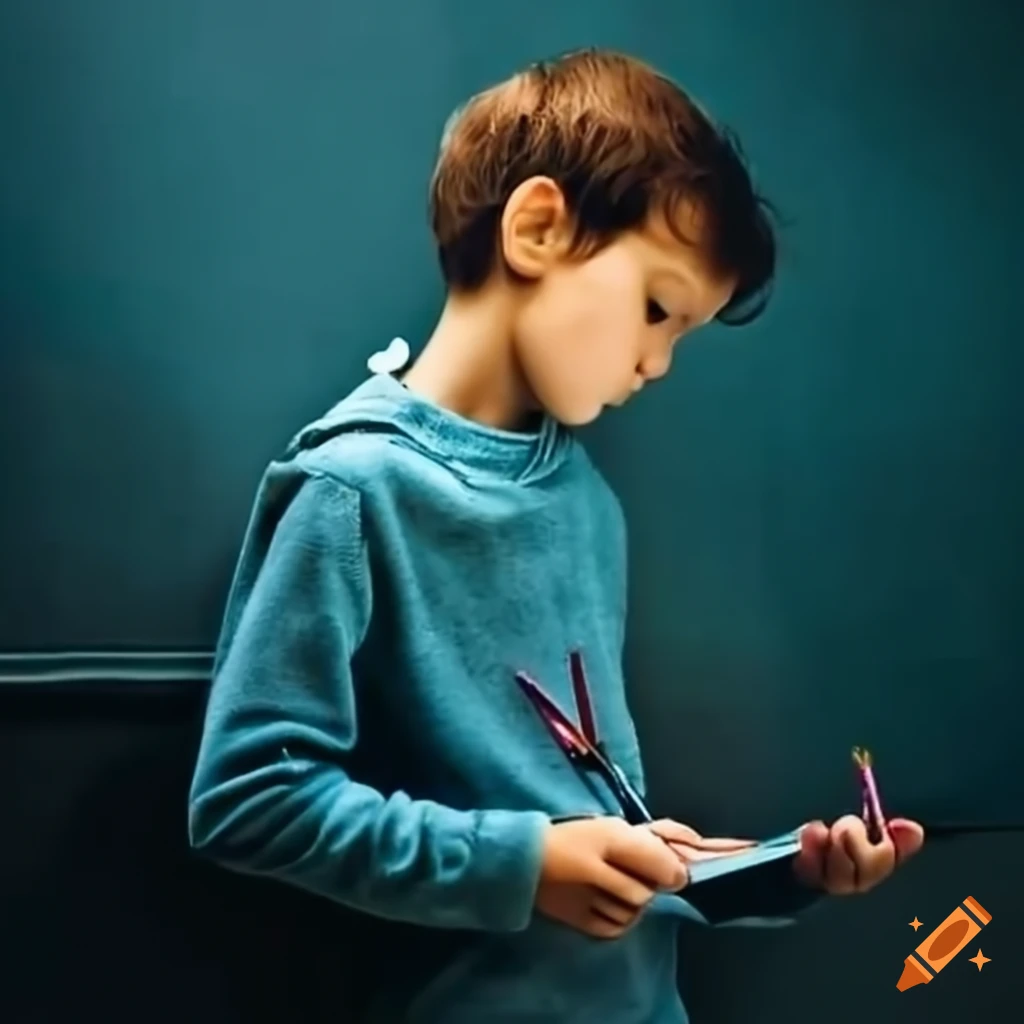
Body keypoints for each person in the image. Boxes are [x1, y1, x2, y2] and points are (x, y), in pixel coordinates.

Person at [187, 48, 924, 1023]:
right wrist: (523, 864)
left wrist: (754, 873)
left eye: (681, 335)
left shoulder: (586, 504)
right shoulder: (349, 488)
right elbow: (247, 798)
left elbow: (586, 824)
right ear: (536, 227)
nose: (658, 362)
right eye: (657, 309)